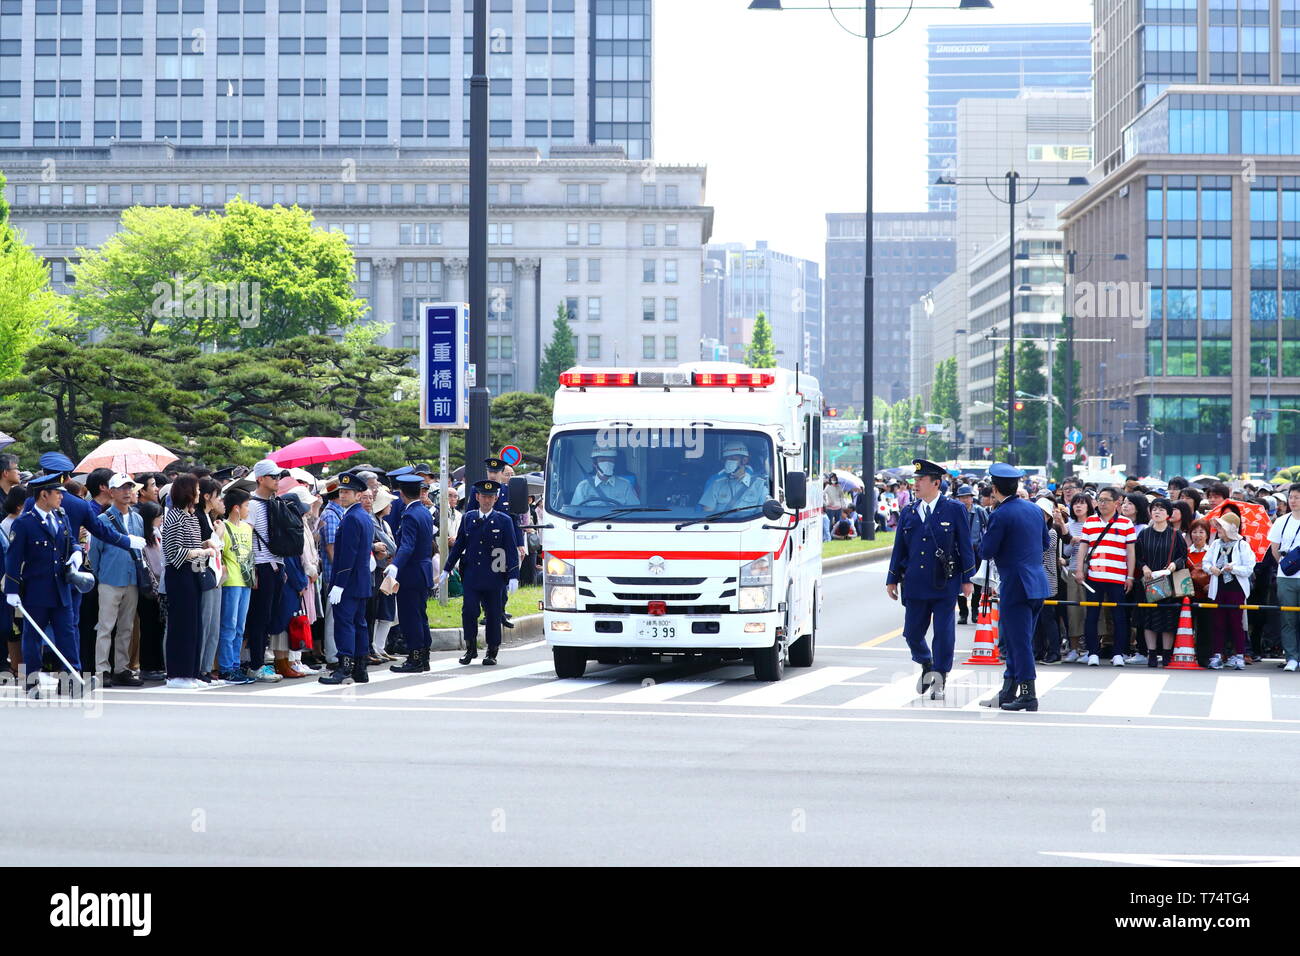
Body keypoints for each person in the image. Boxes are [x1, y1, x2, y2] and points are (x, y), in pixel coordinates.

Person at [884, 459, 975, 701]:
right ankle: (926, 662)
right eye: (915, 480)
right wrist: (891, 579)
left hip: (945, 583)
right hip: (915, 582)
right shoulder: (909, 511)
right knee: (912, 633)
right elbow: (899, 548)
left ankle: (940, 676)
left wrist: (968, 578)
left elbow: (965, 546)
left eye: (921, 480)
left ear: (936, 483)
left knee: (944, 634)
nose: (916, 484)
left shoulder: (954, 509)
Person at [978, 464, 1052, 712]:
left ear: (995, 489)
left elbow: (986, 551)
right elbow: (1044, 543)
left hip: (1016, 584)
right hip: (1037, 582)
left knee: (1018, 643)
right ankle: (1008, 690)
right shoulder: (1033, 509)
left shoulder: (1000, 514)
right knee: (1018, 639)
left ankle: (1028, 694)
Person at [4, 473, 85, 696]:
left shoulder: (61, 517)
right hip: (36, 590)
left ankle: (72, 679)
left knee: (67, 634)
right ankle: (32, 681)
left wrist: (76, 554)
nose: (61, 497)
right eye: (57, 493)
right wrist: (11, 590)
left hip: (61, 589)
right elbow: (13, 559)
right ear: (43, 494)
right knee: (33, 637)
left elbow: (72, 543)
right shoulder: (24, 523)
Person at [441, 479, 520, 666]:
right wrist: (447, 567)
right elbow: (459, 544)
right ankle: (470, 648)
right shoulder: (468, 517)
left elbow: (510, 549)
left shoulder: (504, 520)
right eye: (484, 496)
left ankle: (492, 650)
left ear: (496, 498)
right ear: (477, 497)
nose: (487, 500)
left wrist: (513, 576)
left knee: (493, 613)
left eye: (491, 497)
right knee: (469, 611)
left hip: (494, 574)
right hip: (472, 574)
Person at [88, 474, 144, 687]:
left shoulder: (138, 518)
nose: (127, 491)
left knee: (126, 627)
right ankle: (102, 670)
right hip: (110, 579)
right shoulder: (102, 520)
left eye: (129, 487)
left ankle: (122, 668)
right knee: (105, 627)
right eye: (121, 488)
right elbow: (95, 553)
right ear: (111, 492)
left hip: (131, 579)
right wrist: (101, 575)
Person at [318, 471, 374, 684]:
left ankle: (345, 667)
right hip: (360, 580)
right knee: (359, 623)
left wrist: (339, 584)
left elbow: (347, 555)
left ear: (359, 495)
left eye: (348, 492)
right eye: (341, 491)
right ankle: (360, 668)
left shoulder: (351, 518)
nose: (343, 495)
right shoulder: (362, 516)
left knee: (345, 624)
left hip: (348, 582)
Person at [160, 474, 215, 690]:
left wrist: (204, 543)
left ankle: (190, 672)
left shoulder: (190, 516)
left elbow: (189, 546)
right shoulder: (174, 516)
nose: (199, 493)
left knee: (194, 624)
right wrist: (203, 550)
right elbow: (174, 552)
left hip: (192, 574)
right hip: (179, 575)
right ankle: (177, 674)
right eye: (197, 489)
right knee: (181, 625)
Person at [1076, 487, 1137, 667]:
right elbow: (1083, 548)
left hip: (1118, 577)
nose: (1102, 503)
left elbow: (1130, 552)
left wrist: (1130, 576)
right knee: (1092, 615)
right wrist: (1080, 570)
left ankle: (1118, 653)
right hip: (1094, 576)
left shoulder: (1126, 523)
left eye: (1106, 500)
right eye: (1100, 500)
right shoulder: (1090, 522)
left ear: (1117, 502)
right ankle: (1093, 652)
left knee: (1119, 616)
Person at [386, 473, 437, 673]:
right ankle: (424, 656)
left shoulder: (409, 515)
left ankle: (415, 658)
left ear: (401, 493)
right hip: (422, 570)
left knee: (410, 617)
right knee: (420, 615)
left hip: (411, 572)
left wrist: (395, 565)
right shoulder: (423, 511)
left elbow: (407, 546)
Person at [244, 460, 289, 683]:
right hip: (261, 566)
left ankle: (259, 662)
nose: (277, 480)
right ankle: (256, 664)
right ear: (260, 478)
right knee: (259, 618)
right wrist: (252, 570)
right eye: (273, 477)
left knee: (269, 617)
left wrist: (283, 566)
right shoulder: (251, 505)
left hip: (276, 564)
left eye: (278, 476)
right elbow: (248, 537)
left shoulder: (274, 502)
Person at [1135, 498, 1189, 668]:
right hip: (1150, 581)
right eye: (1154, 509)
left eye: (1161, 509)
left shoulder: (1175, 535)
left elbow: (1183, 557)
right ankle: (1151, 653)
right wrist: (1143, 567)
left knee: (1168, 618)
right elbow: (1137, 556)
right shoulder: (1144, 533)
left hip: (1169, 580)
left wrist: (1174, 565)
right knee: (1149, 618)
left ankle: (1166, 653)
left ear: (1168, 514)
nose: (1157, 512)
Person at [1205, 512, 1256, 670]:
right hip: (1218, 586)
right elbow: (1206, 561)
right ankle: (1217, 655)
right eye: (1218, 525)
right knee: (1217, 622)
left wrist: (1232, 568)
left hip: (1236, 588)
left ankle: (1239, 655)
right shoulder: (1215, 544)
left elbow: (1248, 568)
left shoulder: (1242, 545)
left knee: (1236, 622)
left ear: (1231, 528)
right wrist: (1210, 568)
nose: (1218, 528)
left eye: (1222, 526)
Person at [218, 488, 256, 684]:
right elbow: (218, 552)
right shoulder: (223, 527)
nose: (248, 509)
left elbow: (250, 555)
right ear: (236, 508)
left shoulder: (247, 528)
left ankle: (235, 665)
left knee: (240, 626)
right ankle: (225, 668)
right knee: (228, 625)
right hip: (231, 581)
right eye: (246, 505)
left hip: (246, 581)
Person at [1269, 483, 1300, 671]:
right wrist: (1284, 565)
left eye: (1297, 497)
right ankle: (1291, 657)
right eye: (1291, 497)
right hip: (1286, 577)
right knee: (1288, 618)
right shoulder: (1282, 521)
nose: (1293, 501)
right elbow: (1274, 548)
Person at [1032, 497, 1063, 664]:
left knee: (1047, 617)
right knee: (1036, 618)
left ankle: (1054, 651)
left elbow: (1041, 549)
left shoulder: (1051, 532)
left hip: (1047, 579)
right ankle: (1038, 650)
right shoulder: (1032, 529)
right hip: (1033, 579)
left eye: (1043, 513)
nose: (1040, 516)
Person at [698, 440, 768, 513]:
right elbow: (706, 513)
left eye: (733, 459)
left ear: (744, 460)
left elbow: (762, 514)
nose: (728, 462)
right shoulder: (716, 484)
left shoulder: (760, 485)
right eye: (726, 459)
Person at [954, 484, 988, 625]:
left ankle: (975, 610)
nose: (965, 500)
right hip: (958, 551)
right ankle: (963, 613)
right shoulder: (955, 512)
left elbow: (989, 527)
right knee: (960, 581)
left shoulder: (980, 511)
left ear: (972, 499)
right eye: (962, 497)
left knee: (977, 582)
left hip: (976, 550)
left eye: (967, 497)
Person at [569, 445, 639, 507]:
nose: (607, 463)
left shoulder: (625, 485)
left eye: (611, 460)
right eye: (603, 460)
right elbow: (575, 512)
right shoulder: (583, 487)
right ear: (594, 464)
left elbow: (635, 512)